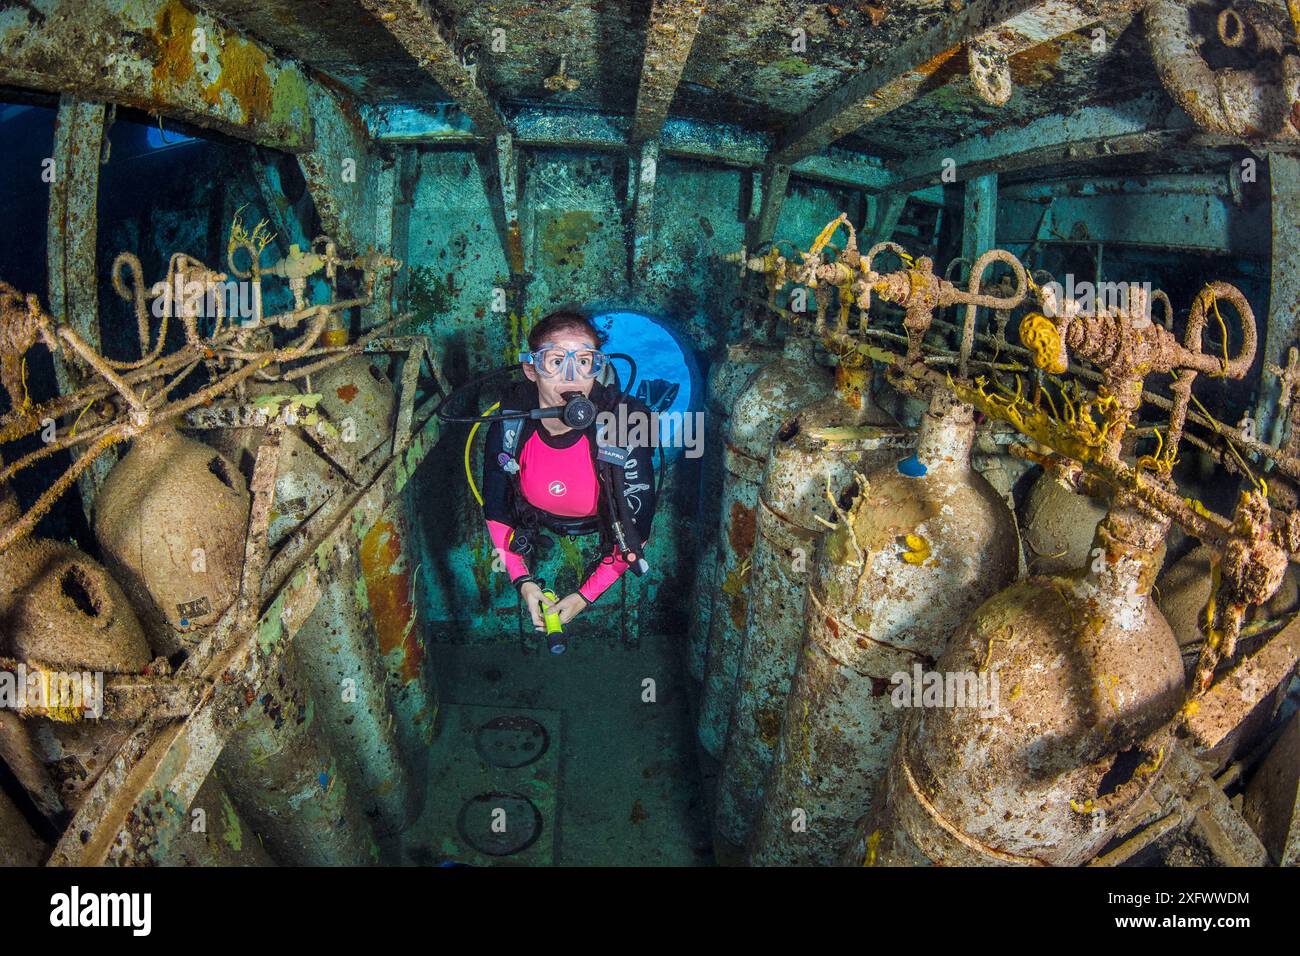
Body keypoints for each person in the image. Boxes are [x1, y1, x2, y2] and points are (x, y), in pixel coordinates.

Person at [481, 310, 657, 633]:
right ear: (531, 369)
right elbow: (496, 508)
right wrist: (523, 581)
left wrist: (583, 597)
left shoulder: (625, 423)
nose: (572, 375)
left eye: (585, 361)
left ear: (596, 367)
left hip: (599, 525)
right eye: (555, 360)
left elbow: (636, 530)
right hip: (536, 519)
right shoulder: (510, 420)